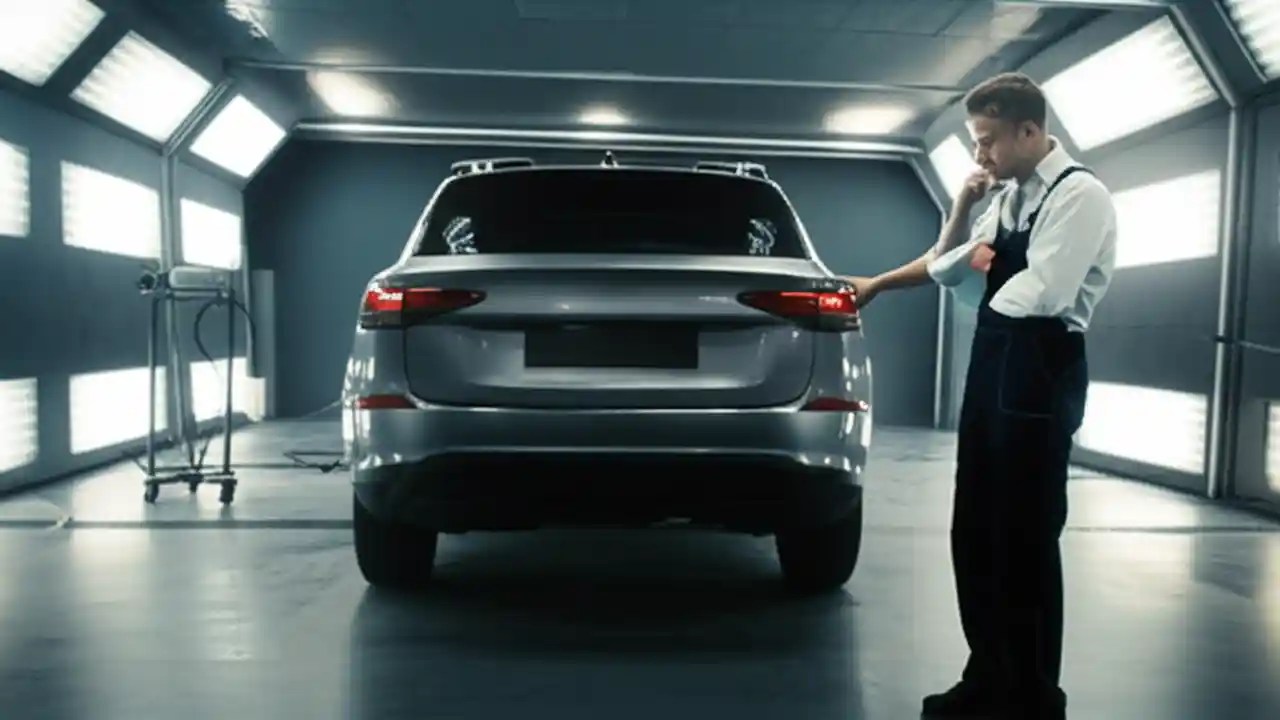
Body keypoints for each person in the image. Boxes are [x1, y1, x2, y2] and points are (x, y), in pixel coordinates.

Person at [847, 72, 1117, 719]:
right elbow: (946, 265)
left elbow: (1046, 292)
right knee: (975, 531)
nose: (981, 156)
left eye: (988, 141)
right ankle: (987, 675)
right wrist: (963, 213)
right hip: (993, 363)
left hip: (1039, 371)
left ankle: (1033, 696)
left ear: (1030, 130)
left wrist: (982, 277)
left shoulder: (1081, 196)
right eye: (975, 143)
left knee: (1025, 536)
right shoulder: (1010, 196)